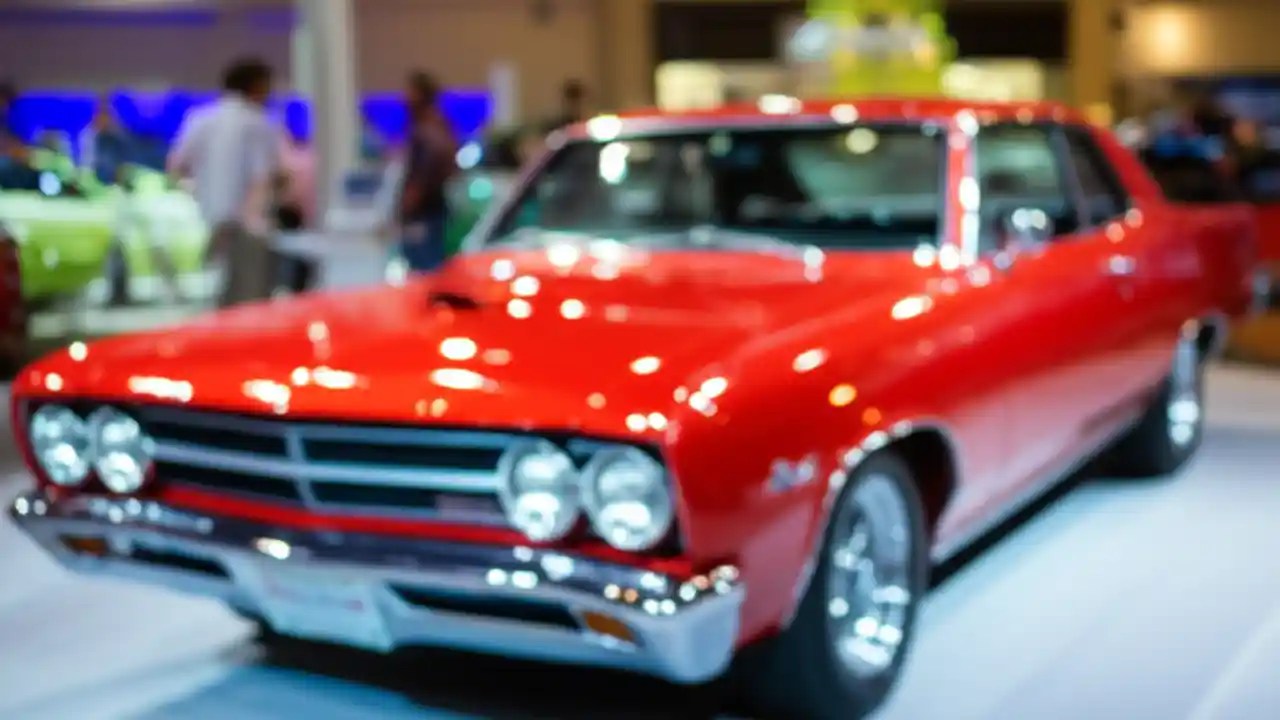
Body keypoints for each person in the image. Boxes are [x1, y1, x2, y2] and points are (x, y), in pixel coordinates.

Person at [168, 57, 284, 307]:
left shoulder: (201, 119)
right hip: (249, 225)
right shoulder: (259, 122)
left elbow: (177, 166)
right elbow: (263, 177)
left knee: (219, 297)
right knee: (249, 299)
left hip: (211, 220)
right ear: (256, 86)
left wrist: (200, 193)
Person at [396, 71, 457, 273]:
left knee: (423, 270)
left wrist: (411, 199)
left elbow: (427, 167)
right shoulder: (440, 125)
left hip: (425, 212)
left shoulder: (427, 131)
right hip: (434, 209)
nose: (405, 96)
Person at [79, 96, 135, 185]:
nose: (105, 120)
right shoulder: (88, 136)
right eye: (102, 117)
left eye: (108, 117)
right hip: (97, 173)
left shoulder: (118, 136)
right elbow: (87, 162)